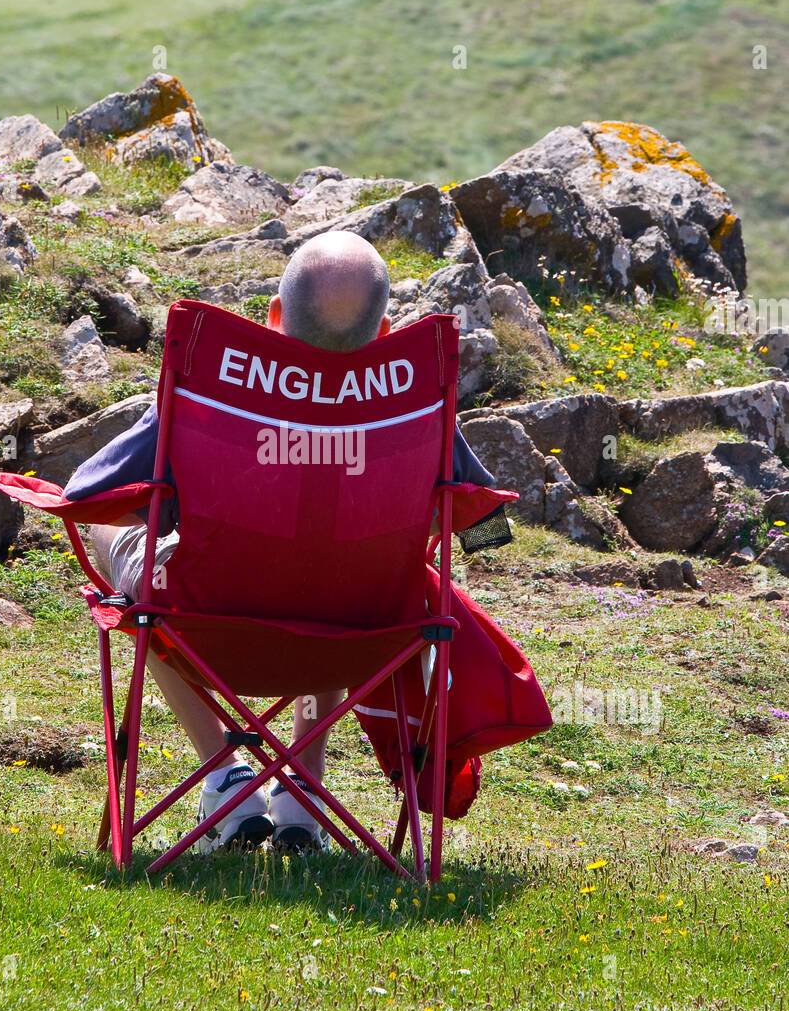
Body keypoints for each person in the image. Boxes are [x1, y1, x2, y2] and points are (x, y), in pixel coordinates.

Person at [64, 231, 494, 853]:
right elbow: (470, 504)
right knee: (335, 562)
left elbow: (90, 492)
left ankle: (225, 777)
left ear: (272, 317)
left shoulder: (212, 382)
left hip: (206, 626)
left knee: (126, 559)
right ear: (385, 332)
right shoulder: (417, 399)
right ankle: (302, 795)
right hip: (362, 633)